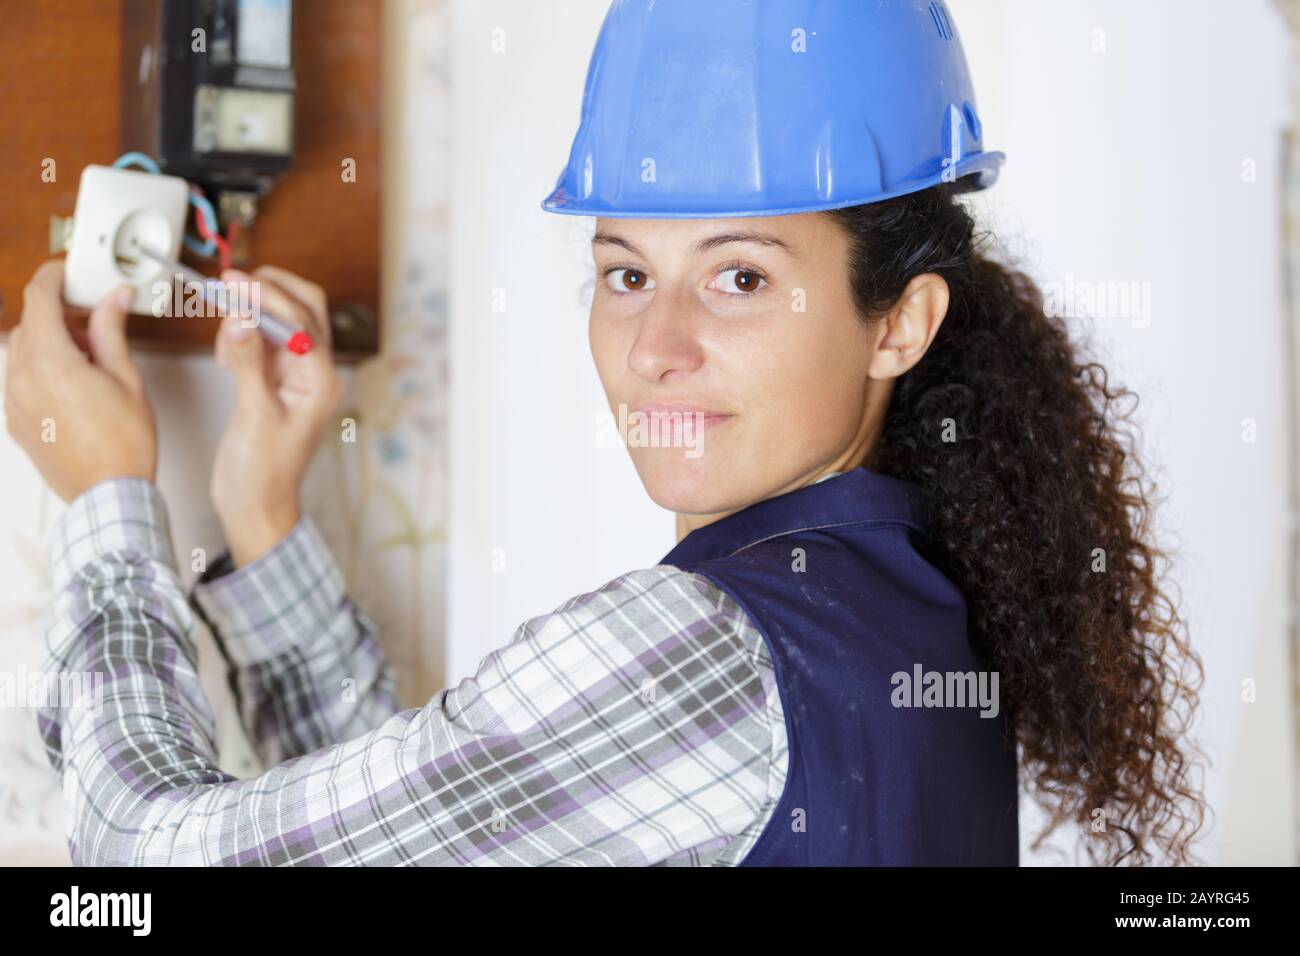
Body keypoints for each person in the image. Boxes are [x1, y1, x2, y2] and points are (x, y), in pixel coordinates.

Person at [4, 0, 1206, 866]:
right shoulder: (913, 608)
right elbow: (458, 824)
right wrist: (266, 524)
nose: (653, 347)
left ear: (900, 321)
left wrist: (106, 498)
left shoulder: (700, 646)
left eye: (739, 279)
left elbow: (141, 854)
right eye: (625, 272)